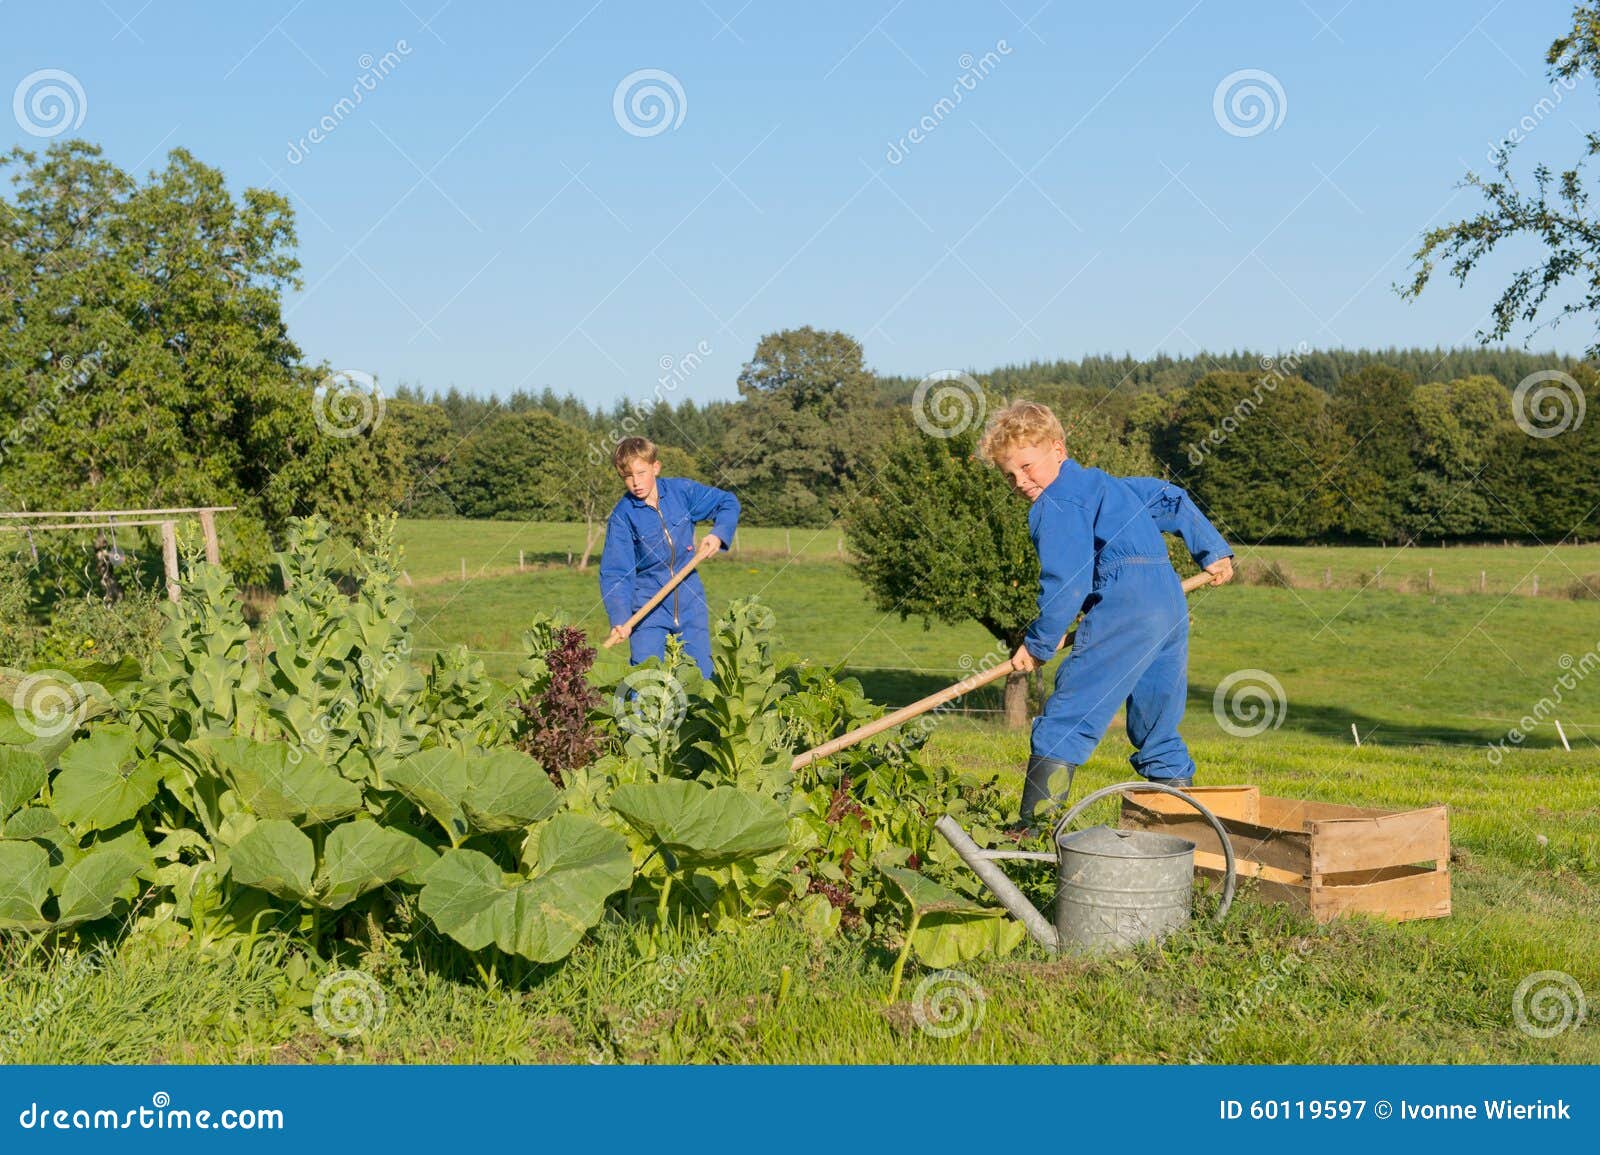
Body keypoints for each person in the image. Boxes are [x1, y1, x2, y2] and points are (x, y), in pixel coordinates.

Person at [977, 401, 1234, 826]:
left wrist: (1039, 644)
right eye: (1010, 475)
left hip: (1126, 604)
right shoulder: (1112, 487)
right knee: (1157, 730)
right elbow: (1172, 499)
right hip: (1168, 604)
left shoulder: (1056, 503)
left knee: (1066, 717)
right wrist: (1213, 549)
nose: (1021, 481)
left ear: (1057, 449)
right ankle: (1182, 835)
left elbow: (1067, 580)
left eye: (1026, 466)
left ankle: (1032, 835)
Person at [598, 437, 740, 679]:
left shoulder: (681, 492)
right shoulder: (623, 516)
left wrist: (718, 534)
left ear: (656, 467)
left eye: (641, 473)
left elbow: (727, 502)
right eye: (628, 477)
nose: (636, 482)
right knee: (645, 681)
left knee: (702, 678)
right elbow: (616, 572)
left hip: (690, 601)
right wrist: (621, 618)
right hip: (647, 608)